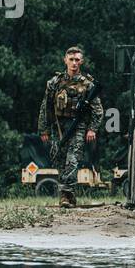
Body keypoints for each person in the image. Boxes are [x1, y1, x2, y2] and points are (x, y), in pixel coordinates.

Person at [38, 46, 104, 207]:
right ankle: (68, 194)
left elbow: (98, 110)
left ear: (81, 62)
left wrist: (92, 129)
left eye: (77, 60)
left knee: (72, 160)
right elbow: (45, 106)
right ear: (65, 60)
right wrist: (44, 129)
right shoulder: (54, 82)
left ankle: (66, 196)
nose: (74, 63)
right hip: (58, 127)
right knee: (59, 160)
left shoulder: (87, 84)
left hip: (78, 127)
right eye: (71, 59)